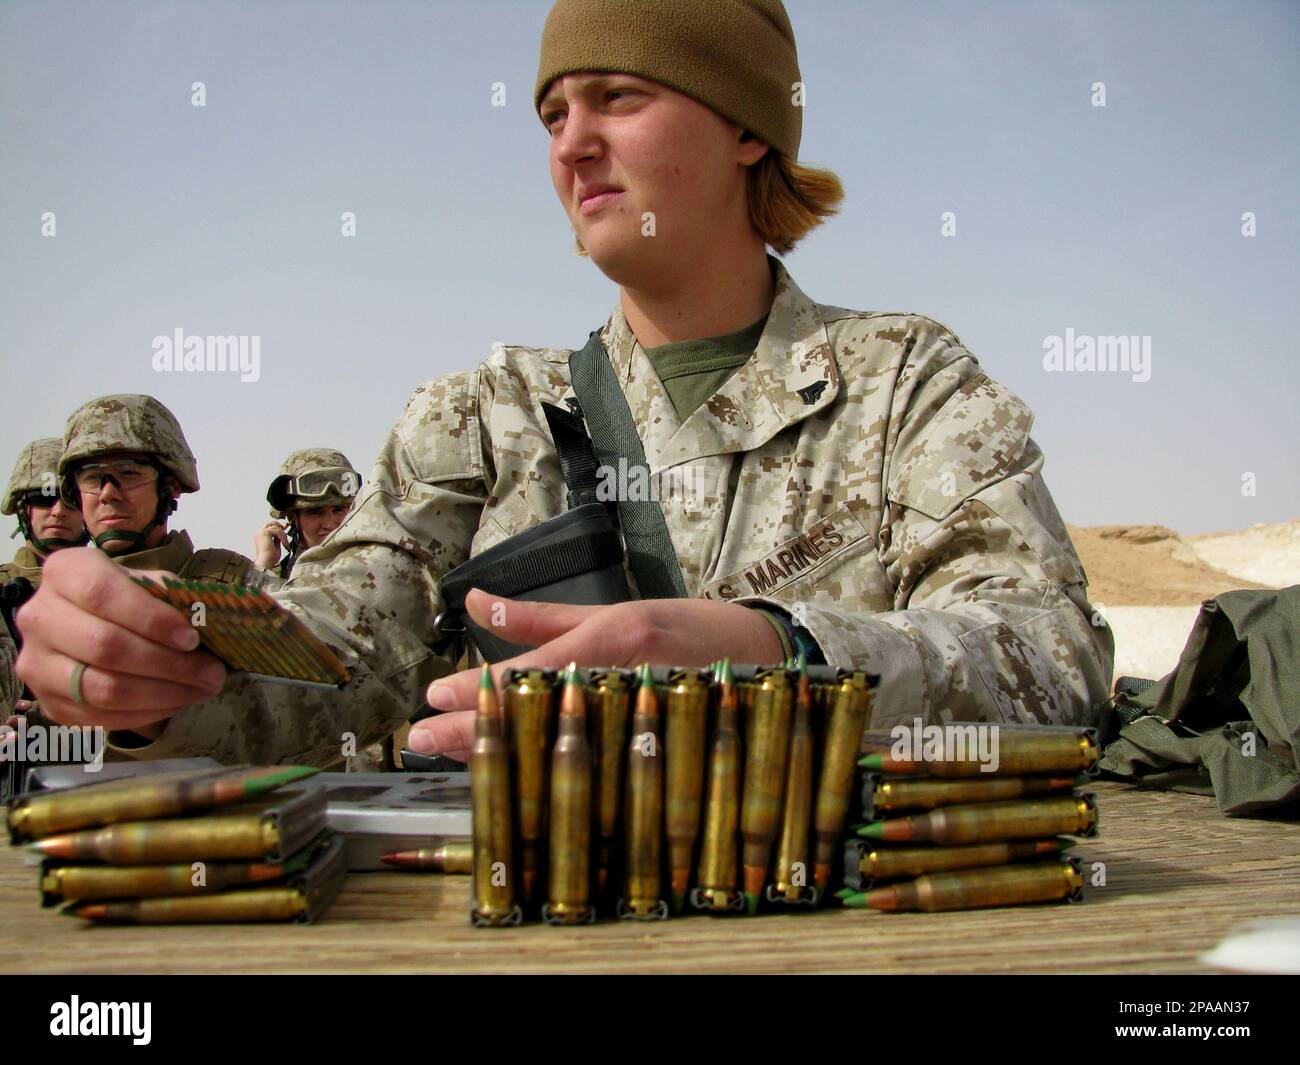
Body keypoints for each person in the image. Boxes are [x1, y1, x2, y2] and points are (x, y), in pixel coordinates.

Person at [14, 0, 1113, 767]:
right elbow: (343, 658)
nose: (571, 144)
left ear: (744, 128)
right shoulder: (485, 419)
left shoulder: (900, 383)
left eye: (617, 97)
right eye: (552, 115)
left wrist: (784, 654)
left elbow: (1051, 660)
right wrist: (159, 673)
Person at [54, 394, 262, 588]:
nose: (108, 494)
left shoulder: (241, 585)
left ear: (172, 485)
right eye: (92, 478)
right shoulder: (53, 597)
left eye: (128, 473)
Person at [1, 437, 88, 644]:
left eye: (72, 500)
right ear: (22, 509)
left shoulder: (118, 586)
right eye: (43, 497)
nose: (58, 511)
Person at [254, 449, 362, 579]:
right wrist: (264, 560)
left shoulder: (377, 567)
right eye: (316, 512)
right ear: (293, 518)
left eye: (338, 510)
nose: (330, 524)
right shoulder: (274, 577)